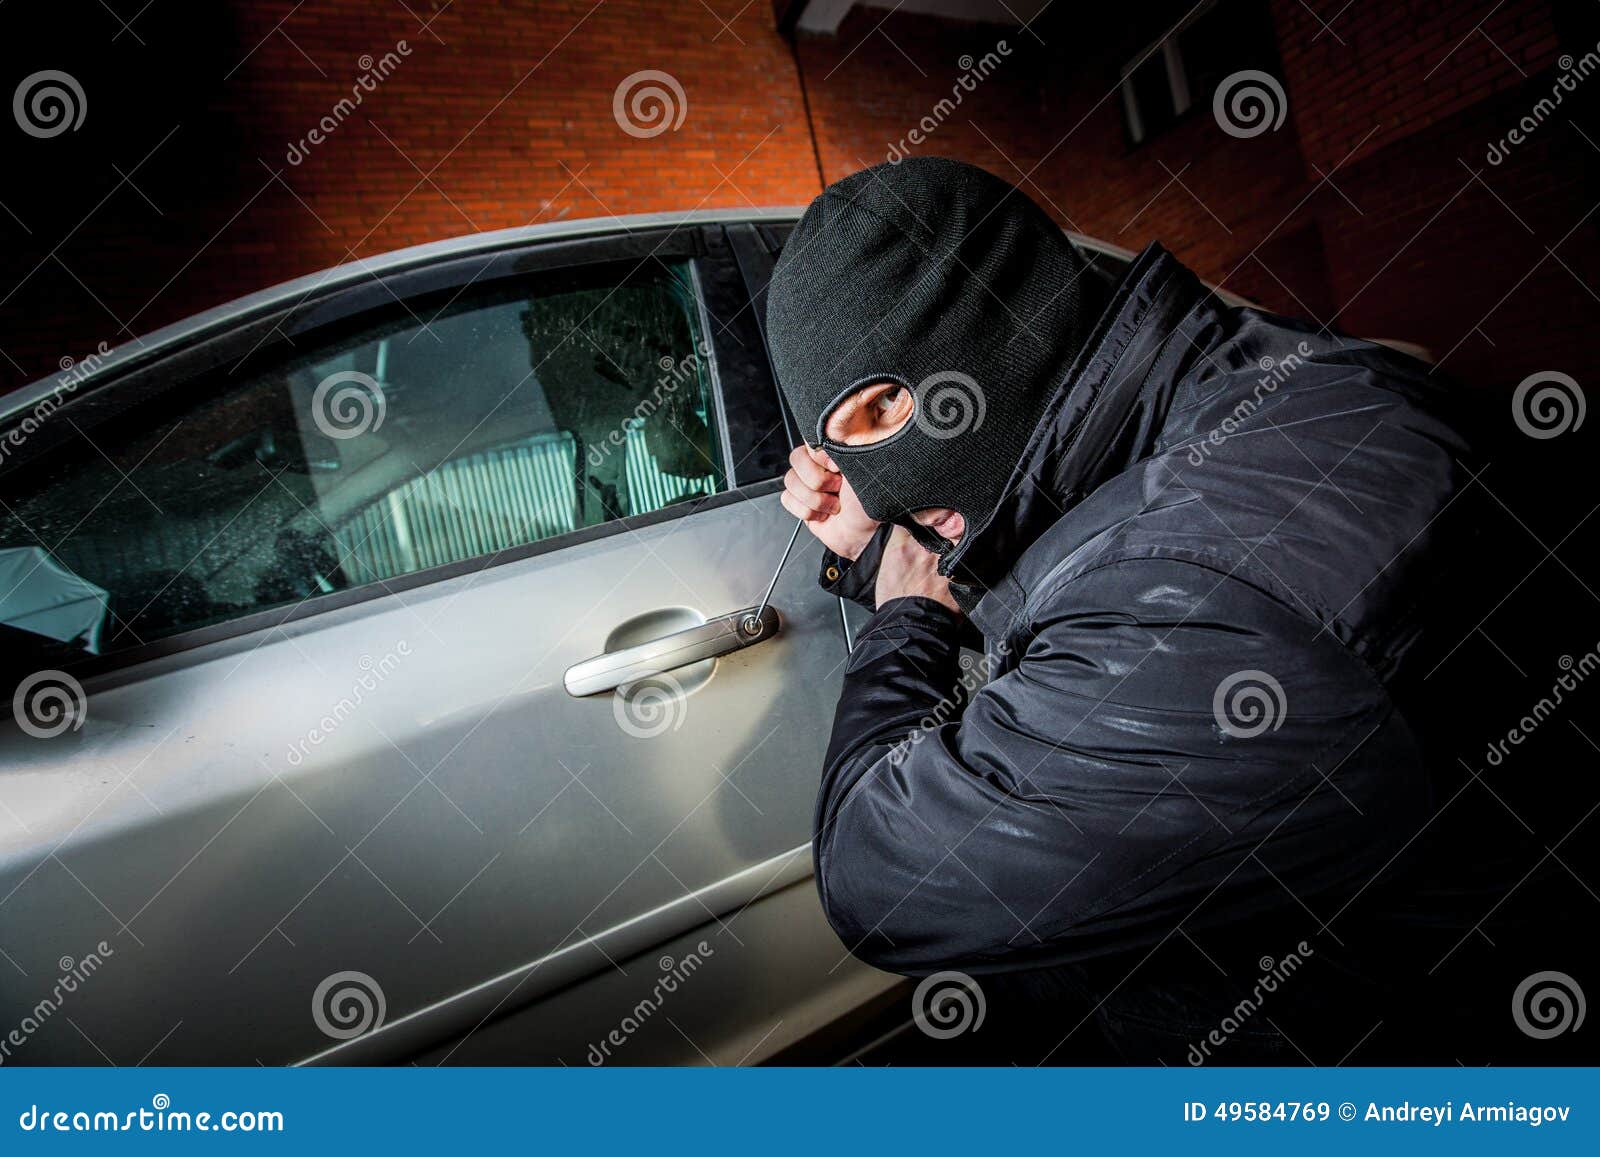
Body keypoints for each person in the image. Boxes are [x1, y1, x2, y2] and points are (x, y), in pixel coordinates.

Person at [764, 156, 1523, 1064]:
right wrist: (891, 532)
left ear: (995, 340)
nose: (875, 489)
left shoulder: (1212, 578)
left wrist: (905, 621)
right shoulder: (1208, 394)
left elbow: (883, 878)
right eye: (838, 448)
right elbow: (1069, 579)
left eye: (882, 407)